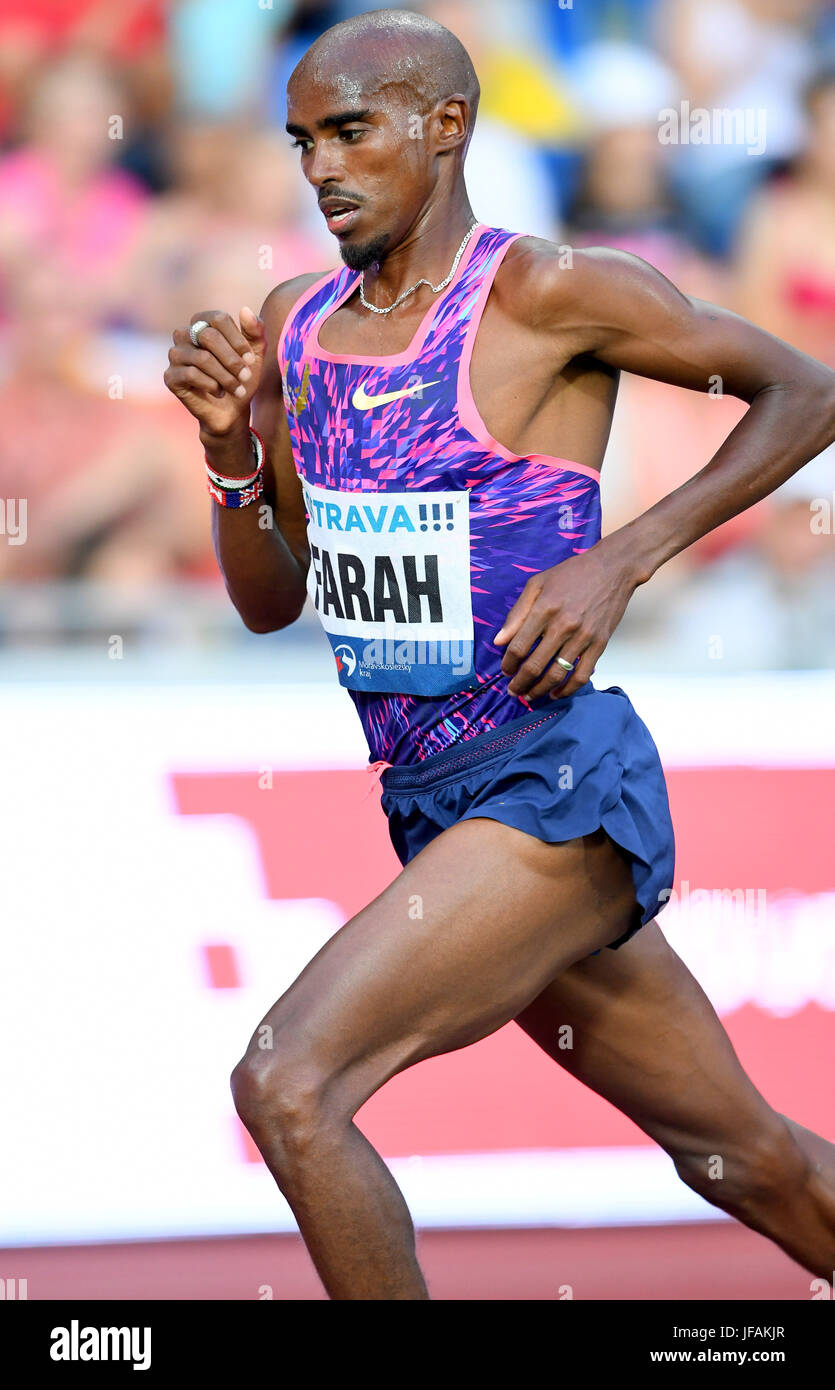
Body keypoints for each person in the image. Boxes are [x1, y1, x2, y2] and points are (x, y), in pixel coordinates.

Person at [164, 8, 835, 1301]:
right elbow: (270, 597)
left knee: (288, 1080)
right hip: (434, 811)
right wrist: (228, 451)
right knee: (742, 1160)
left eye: (352, 131)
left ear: (445, 125)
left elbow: (806, 389)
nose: (321, 168)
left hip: (556, 788)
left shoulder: (545, 290)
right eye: (303, 141)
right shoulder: (295, 328)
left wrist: (619, 558)